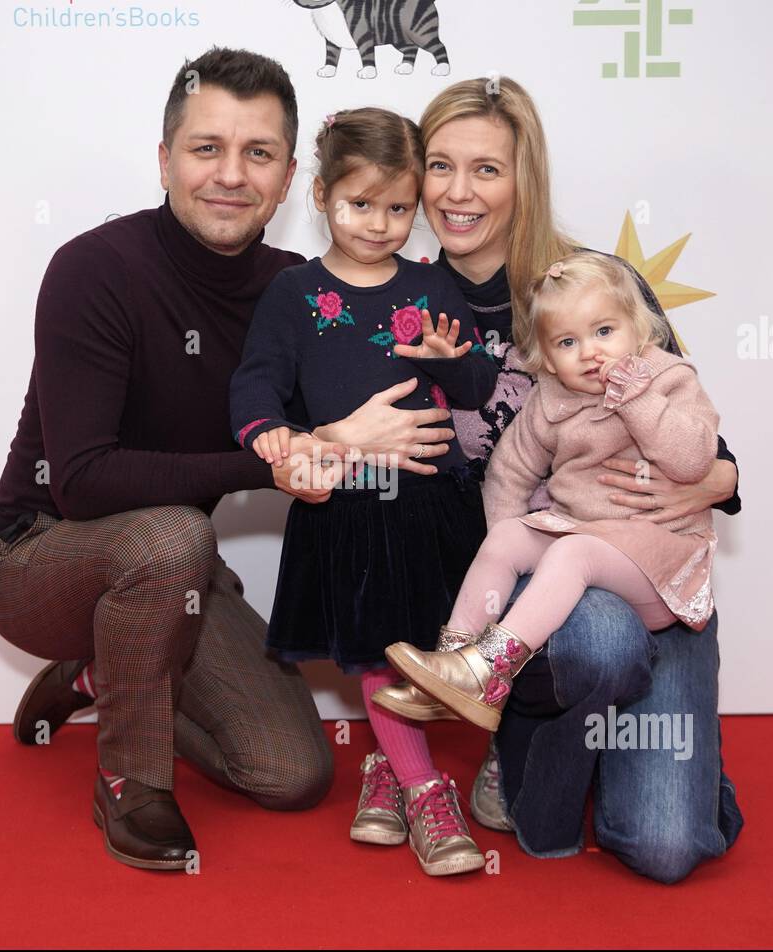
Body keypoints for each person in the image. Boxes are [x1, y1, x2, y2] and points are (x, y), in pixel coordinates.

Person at [314, 76, 745, 882]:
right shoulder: (402, 300)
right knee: (599, 642)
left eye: (487, 169)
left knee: (667, 847)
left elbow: (703, 435)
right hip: (517, 573)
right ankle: (518, 719)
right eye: (439, 166)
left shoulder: (594, 288)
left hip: (646, 558)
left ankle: (590, 741)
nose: (458, 192)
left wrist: (716, 478)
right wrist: (326, 442)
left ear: (525, 179)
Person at [0, 48, 357, 870]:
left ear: (288, 177)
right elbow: (82, 481)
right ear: (164, 160)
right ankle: (130, 781)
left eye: (257, 153)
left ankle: (100, 676)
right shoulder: (95, 269)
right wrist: (273, 463)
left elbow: (361, 397)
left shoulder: (295, 292)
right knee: (176, 535)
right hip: (38, 557)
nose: (230, 174)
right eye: (206, 147)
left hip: (170, 573)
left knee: (293, 774)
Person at [229, 107, 499, 876]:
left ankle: (384, 766)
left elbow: (479, 384)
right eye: (360, 205)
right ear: (319, 195)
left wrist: (451, 361)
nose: (380, 224)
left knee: (430, 651)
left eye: (398, 208)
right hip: (351, 504)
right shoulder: (293, 293)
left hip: (438, 502)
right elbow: (257, 386)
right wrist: (268, 436)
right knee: (381, 645)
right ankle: (424, 791)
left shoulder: (432, 281)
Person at [386, 251, 721, 732]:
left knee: (574, 552)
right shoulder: (552, 398)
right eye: (568, 342)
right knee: (505, 538)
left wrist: (640, 400)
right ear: (546, 356)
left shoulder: (667, 378)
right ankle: (454, 662)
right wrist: (513, 550)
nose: (590, 352)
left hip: (660, 560)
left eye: (604, 332)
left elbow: (693, 458)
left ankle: (487, 671)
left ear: (639, 328)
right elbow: (509, 471)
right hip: (586, 539)